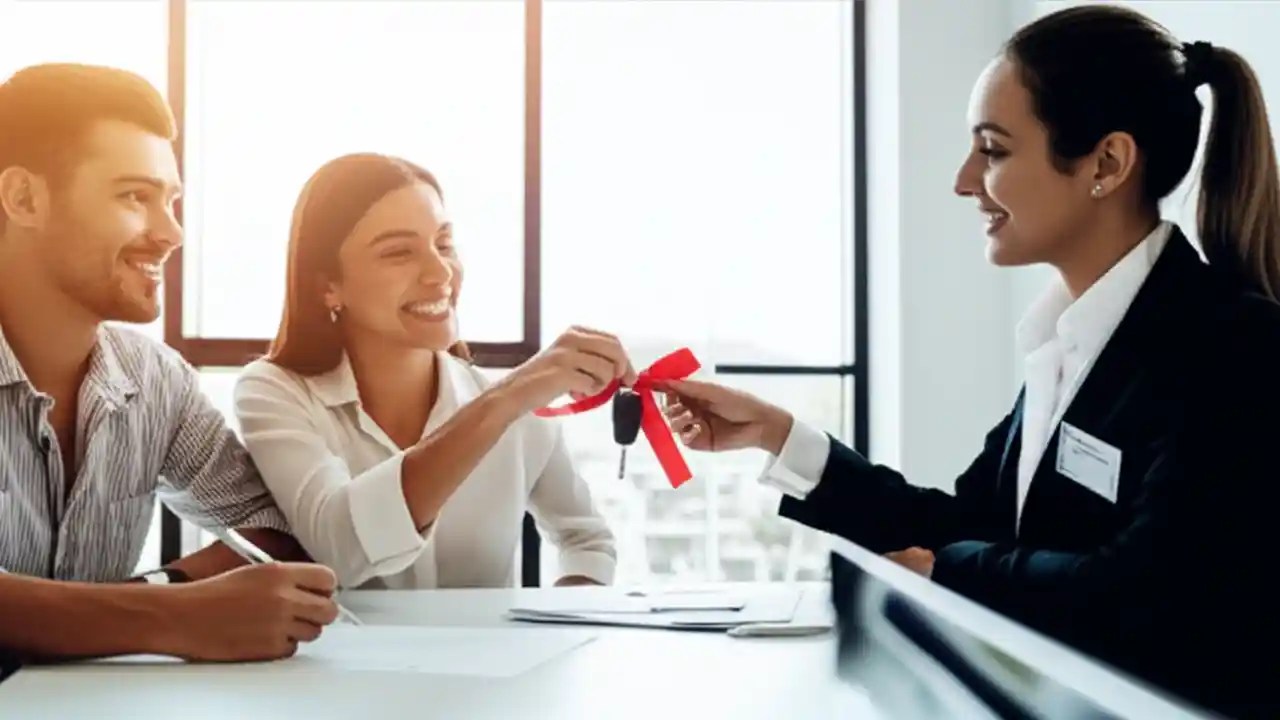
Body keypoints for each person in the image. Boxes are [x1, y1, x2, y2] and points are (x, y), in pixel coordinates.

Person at [661, 6, 1280, 717]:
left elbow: (1148, 592)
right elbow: (964, 527)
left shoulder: (1232, 345)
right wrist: (780, 437)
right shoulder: (1073, 339)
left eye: (993, 151)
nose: (963, 180)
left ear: (1106, 163)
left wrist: (949, 572)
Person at [0, 63, 338, 665]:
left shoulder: (156, 381)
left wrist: (149, 599)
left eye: (171, 201)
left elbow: (267, 531)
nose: (171, 232)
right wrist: (169, 618)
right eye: (135, 196)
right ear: (24, 198)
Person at [234, 153, 624, 590]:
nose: (441, 273)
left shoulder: (519, 413)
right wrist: (503, 403)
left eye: (443, 244)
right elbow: (341, 547)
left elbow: (588, 540)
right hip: (347, 660)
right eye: (399, 252)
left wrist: (550, 630)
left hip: (485, 660)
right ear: (329, 286)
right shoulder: (274, 394)